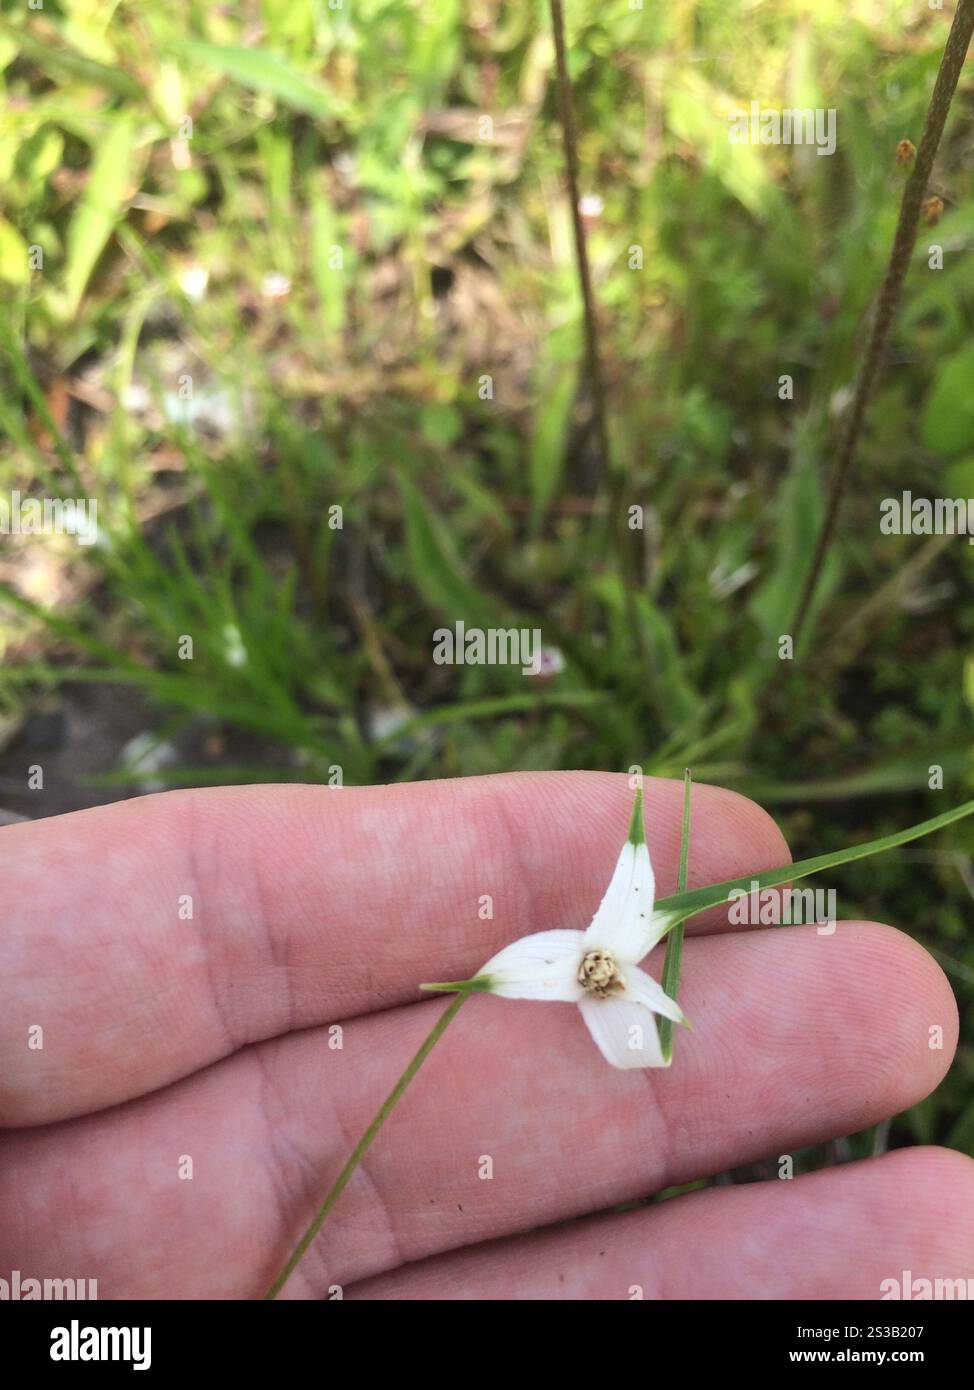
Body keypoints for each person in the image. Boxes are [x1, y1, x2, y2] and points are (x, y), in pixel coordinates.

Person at [1, 772, 970, 1299]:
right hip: (570, 966)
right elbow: (585, 954)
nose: (604, 975)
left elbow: (627, 981)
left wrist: (629, 987)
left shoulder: (619, 966)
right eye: (605, 974)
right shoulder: (584, 960)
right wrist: (515, 970)